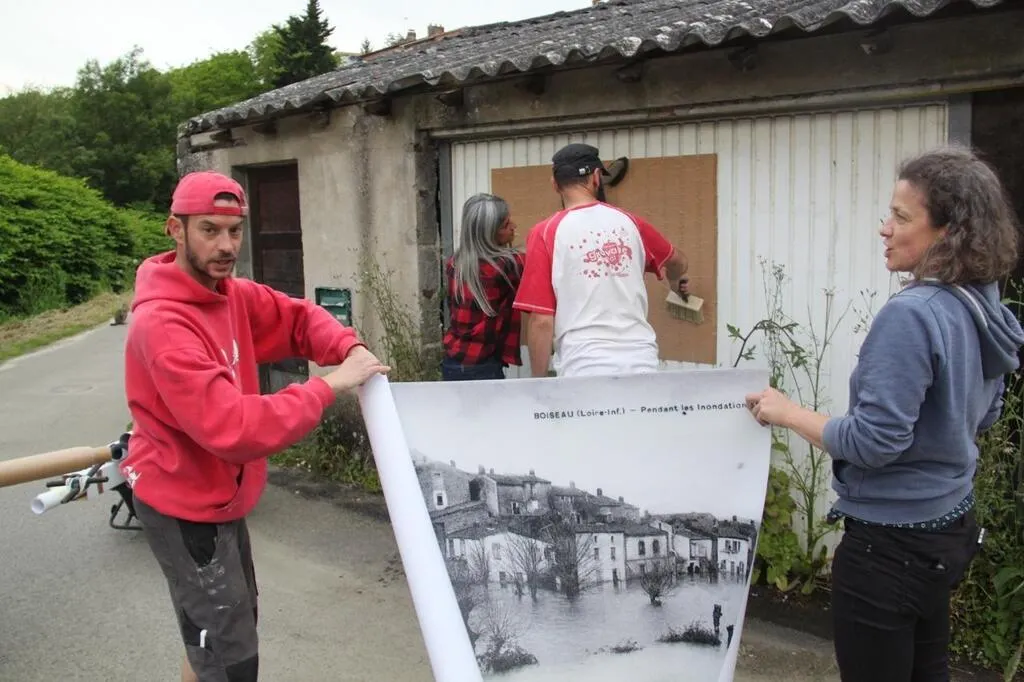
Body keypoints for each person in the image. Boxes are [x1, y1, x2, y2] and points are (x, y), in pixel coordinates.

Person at [744, 146, 1024, 682]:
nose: (884, 229)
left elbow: (875, 442)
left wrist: (787, 412)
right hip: (947, 530)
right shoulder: (983, 305)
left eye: (900, 217)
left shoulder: (913, 314)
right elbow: (986, 414)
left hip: (888, 547)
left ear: (948, 231)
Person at [120, 170, 390, 682]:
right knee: (230, 658)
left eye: (234, 230)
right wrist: (328, 386)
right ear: (174, 230)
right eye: (209, 230)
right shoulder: (164, 323)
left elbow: (298, 318)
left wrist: (347, 348)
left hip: (219, 496)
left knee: (217, 639)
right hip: (184, 508)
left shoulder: (232, 294)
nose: (226, 245)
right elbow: (235, 428)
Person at [512, 142, 690, 378]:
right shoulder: (631, 223)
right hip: (641, 361)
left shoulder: (545, 233)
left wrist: (538, 383)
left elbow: (542, 319)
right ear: (597, 177)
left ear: (555, 184)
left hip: (583, 366)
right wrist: (676, 283)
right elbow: (676, 260)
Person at [441, 193, 524, 380]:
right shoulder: (505, 265)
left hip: (454, 359)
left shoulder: (456, 262)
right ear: (488, 234)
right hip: (482, 365)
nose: (514, 227)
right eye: (505, 225)